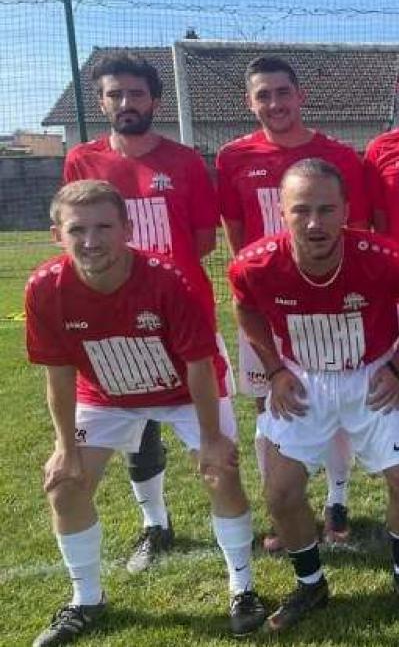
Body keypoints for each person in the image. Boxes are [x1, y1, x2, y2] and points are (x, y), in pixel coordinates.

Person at [26, 180, 264, 646]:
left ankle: (243, 588)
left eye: (104, 227)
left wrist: (212, 439)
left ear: (127, 230)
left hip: (183, 391)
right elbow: (57, 374)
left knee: (222, 473)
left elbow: (198, 363)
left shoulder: (167, 280)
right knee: (65, 484)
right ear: (58, 235)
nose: (91, 241)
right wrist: (64, 447)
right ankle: (86, 599)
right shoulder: (44, 288)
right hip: (105, 394)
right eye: (77, 230)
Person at [229, 158, 399, 630]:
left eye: (326, 209)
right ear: (280, 211)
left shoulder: (385, 258)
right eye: (301, 210)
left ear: (346, 209)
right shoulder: (254, 265)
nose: (314, 223)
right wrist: (275, 369)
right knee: (281, 492)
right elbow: (245, 310)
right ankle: (311, 585)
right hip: (302, 380)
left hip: (372, 378)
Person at [62, 52, 221, 573]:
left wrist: (155, 284)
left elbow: (200, 242)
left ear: (154, 99)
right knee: (134, 423)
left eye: (135, 93)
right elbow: (78, 230)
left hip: (180, 316)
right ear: (102, 101)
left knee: (208, 435)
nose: (125, 103)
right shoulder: (82, 160)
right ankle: (156, 523)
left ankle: (234, 543)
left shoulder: (186, 161)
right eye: (115, 94)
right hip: (113, 321)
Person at [216, 56, 367, 550]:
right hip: (266, 305)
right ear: (249, 102)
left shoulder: (339, 155)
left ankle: (337, 503)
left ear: (300, 96)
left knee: (340, 398)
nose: (275, 103)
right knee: (271, 405)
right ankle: (285, 510)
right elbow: (235, 234)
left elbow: (357, 228)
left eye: (283, 92)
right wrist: (256, 291)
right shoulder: (233, 157)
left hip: (328, 306)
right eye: (264, 95)